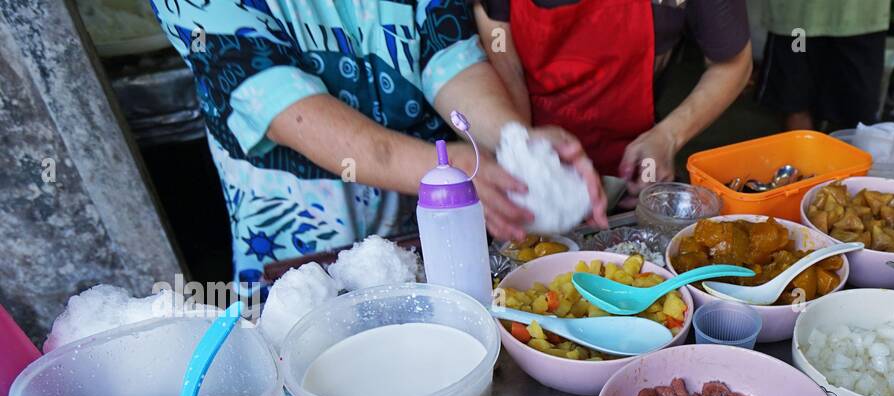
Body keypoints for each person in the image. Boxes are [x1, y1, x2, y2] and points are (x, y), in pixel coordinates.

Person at [153, 0, 606, 285]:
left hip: (424, 245)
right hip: (301, 266)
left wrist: (514, 142)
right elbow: (289, 113)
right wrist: (450, 166)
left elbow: (450, 60)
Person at [473, 0, 752, 195]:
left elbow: (733, 64)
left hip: (631, 172)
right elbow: (504, 60)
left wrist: (668, 136)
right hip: (531, 163)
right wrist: (522, 153)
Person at [753, 0, 894, 131]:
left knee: (795, 100)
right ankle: (834, 165)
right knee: (857, 113)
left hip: (798, 21)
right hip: (860, 18)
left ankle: (804, 165)